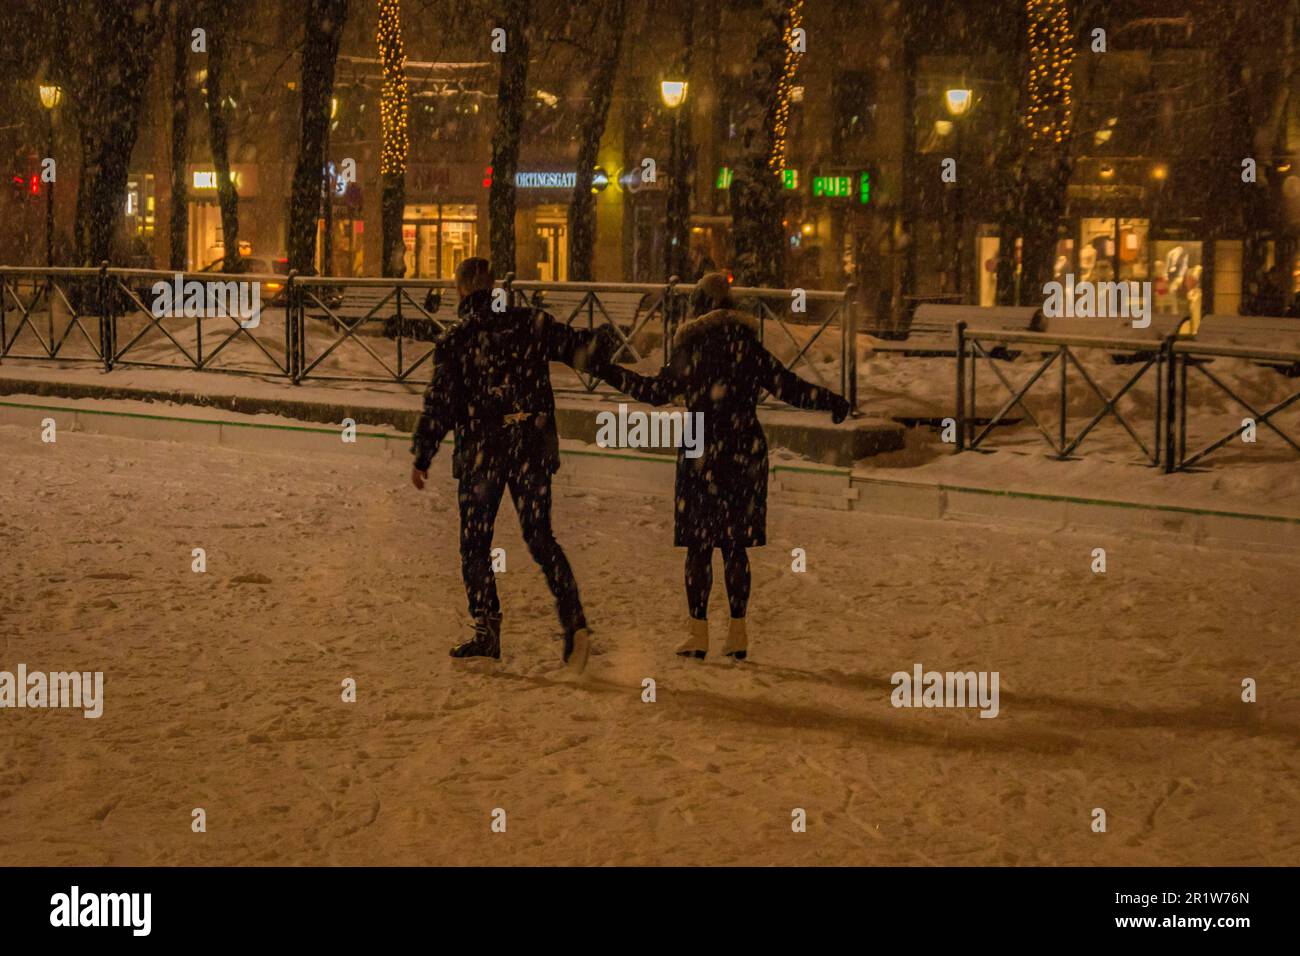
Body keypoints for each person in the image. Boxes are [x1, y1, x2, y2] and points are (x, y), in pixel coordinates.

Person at [590, 273, 850, 661]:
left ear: (696, 307)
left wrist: (606, 370)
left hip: (700, 444)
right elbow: (789, 386)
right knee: (735, 546)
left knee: (699, 546)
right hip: (744, 446)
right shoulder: (747, 345)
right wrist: (832, 402)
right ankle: (738, 631)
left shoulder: (691, 348)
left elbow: (653, 392)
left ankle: (698, 633)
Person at [410, 257, 603, 672]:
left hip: (484, 450)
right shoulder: (529, 322)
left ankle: (487, 630)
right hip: (529, 444)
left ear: (461, 290)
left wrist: (423, 452)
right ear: (494, 285)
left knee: (475, 542)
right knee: (540, 536)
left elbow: (441, 402)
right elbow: (579, 348)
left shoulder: (458, 339)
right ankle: (575, 622)